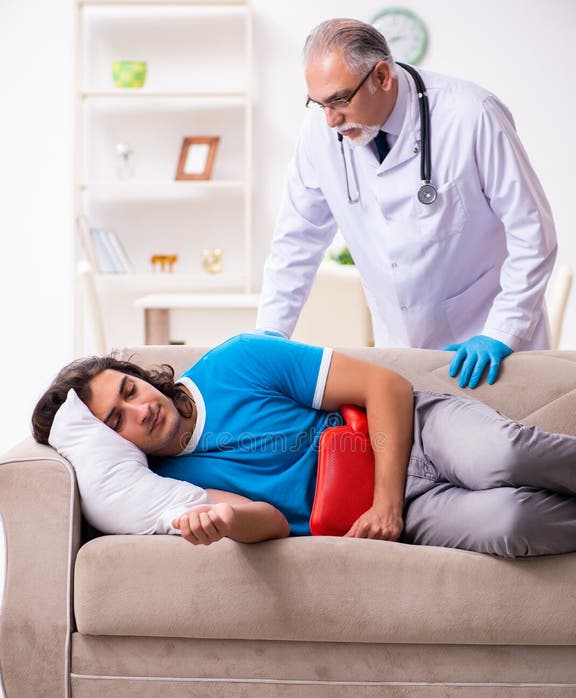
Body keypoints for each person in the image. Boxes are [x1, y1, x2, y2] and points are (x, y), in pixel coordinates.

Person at [32, 333, 576, 556]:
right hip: (406, 512)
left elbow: (384, 387)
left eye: (130, 389)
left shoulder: (238, 361)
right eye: (117, 420)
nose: (141, 408)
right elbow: (267, 520)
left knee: (500, 457)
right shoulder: (166, 489)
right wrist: (221, 521)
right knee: (509, 524)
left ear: (143, 375)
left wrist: (385, 502)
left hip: (412, 435)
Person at [256, 18, 558, 389]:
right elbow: (296, 242)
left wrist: (501, 330)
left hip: (490, 345)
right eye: (318, 104)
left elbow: (532, 232)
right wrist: (269, 335)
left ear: (382, 76)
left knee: (506, 445)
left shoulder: (471, 114)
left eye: (340, 100)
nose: (331, 119)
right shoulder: (321, 131)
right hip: (402, 355)